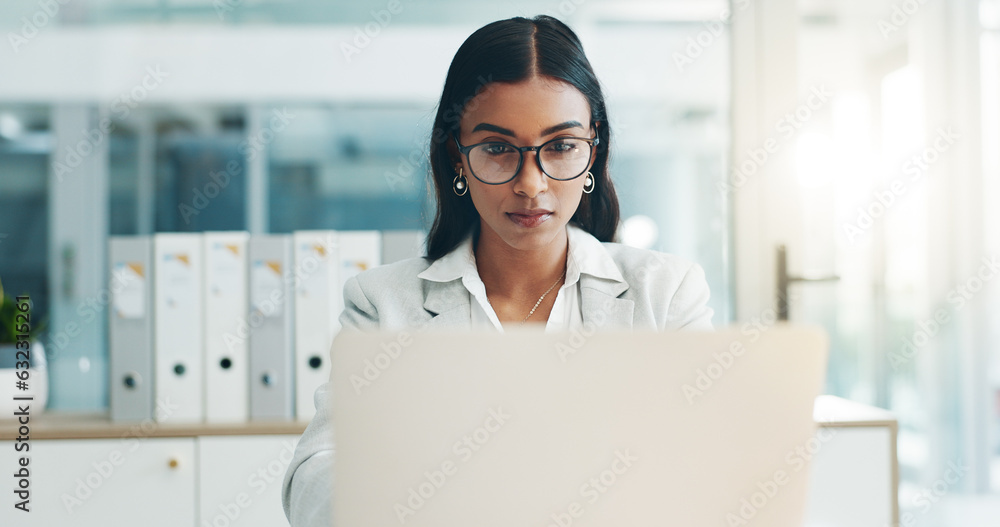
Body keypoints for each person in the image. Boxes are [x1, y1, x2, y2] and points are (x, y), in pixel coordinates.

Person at [281, 14, 714, 526]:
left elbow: (707, 471)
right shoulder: (383, 304)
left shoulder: (663, 295)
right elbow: (315, 481)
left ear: (592, 151)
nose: (531, 184)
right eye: (497, 149)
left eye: (560, 147)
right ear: (457, 157)